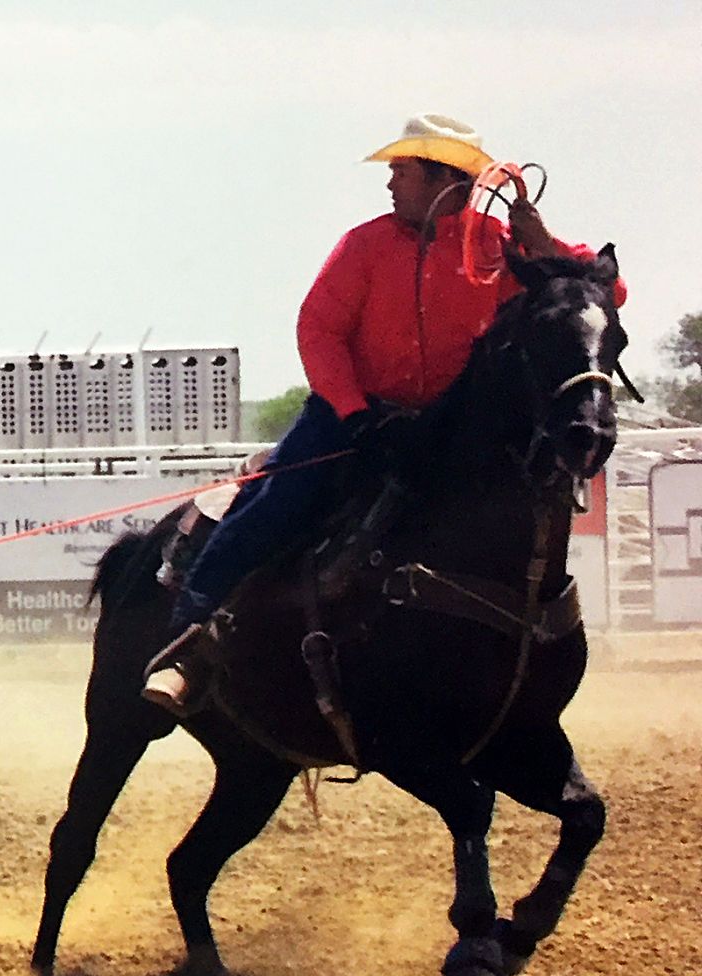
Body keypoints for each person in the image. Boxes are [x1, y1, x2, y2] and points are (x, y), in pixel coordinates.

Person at [142, 114, 625, 714]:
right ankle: (188, 644)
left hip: (449, 425)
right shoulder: (364, 245)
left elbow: (607, 295)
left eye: (402, 171)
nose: (390, 183)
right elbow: (319, 330)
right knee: (278, 503)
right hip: (351, 418)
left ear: (445, 180)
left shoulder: (502, 248)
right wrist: (355, 415)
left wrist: (545, 243)